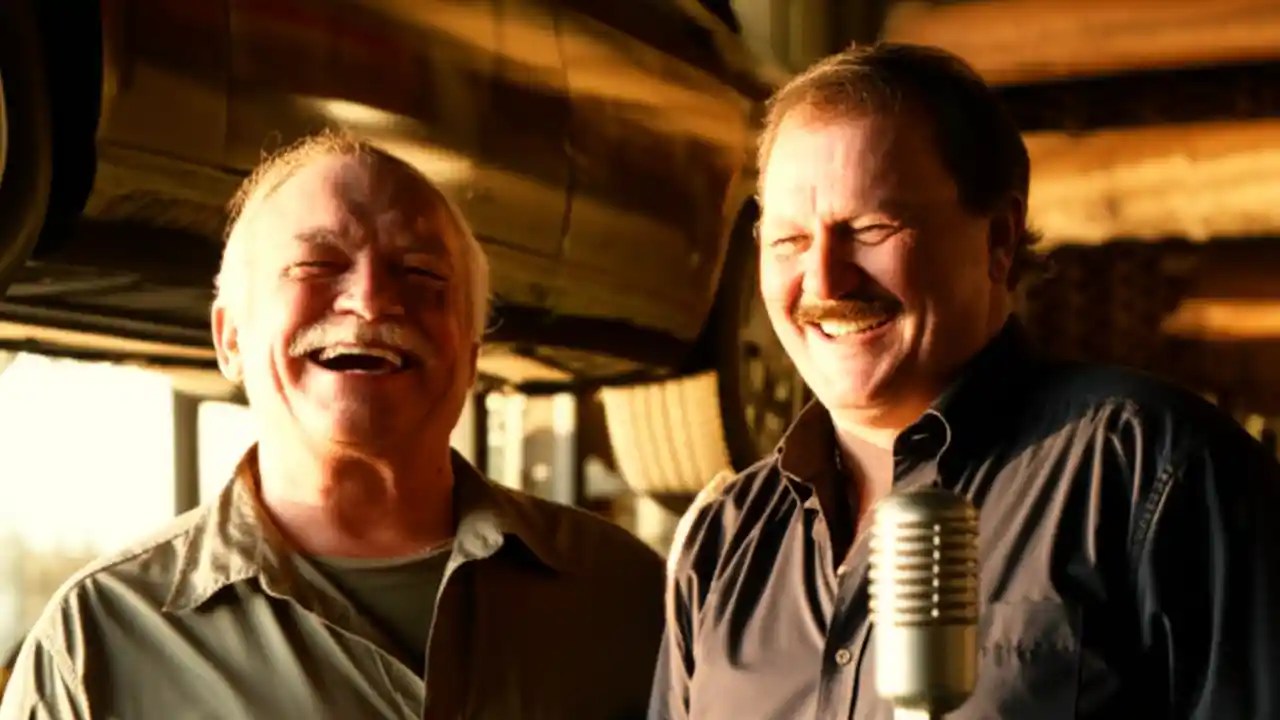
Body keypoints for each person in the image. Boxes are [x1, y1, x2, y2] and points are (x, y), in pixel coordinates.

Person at [649, 42, 1280, 719]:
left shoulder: (1153, 474)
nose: (825, 280)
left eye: (870, 228)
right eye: (790, 242)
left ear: (999, 240)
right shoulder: (723, 542)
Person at [0, 131, 664, 719]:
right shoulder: (98, 643)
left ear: (470, 356)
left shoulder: (628, 599)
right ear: (230, 337)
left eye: (423, 272)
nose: (373, 297)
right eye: (317, 265)